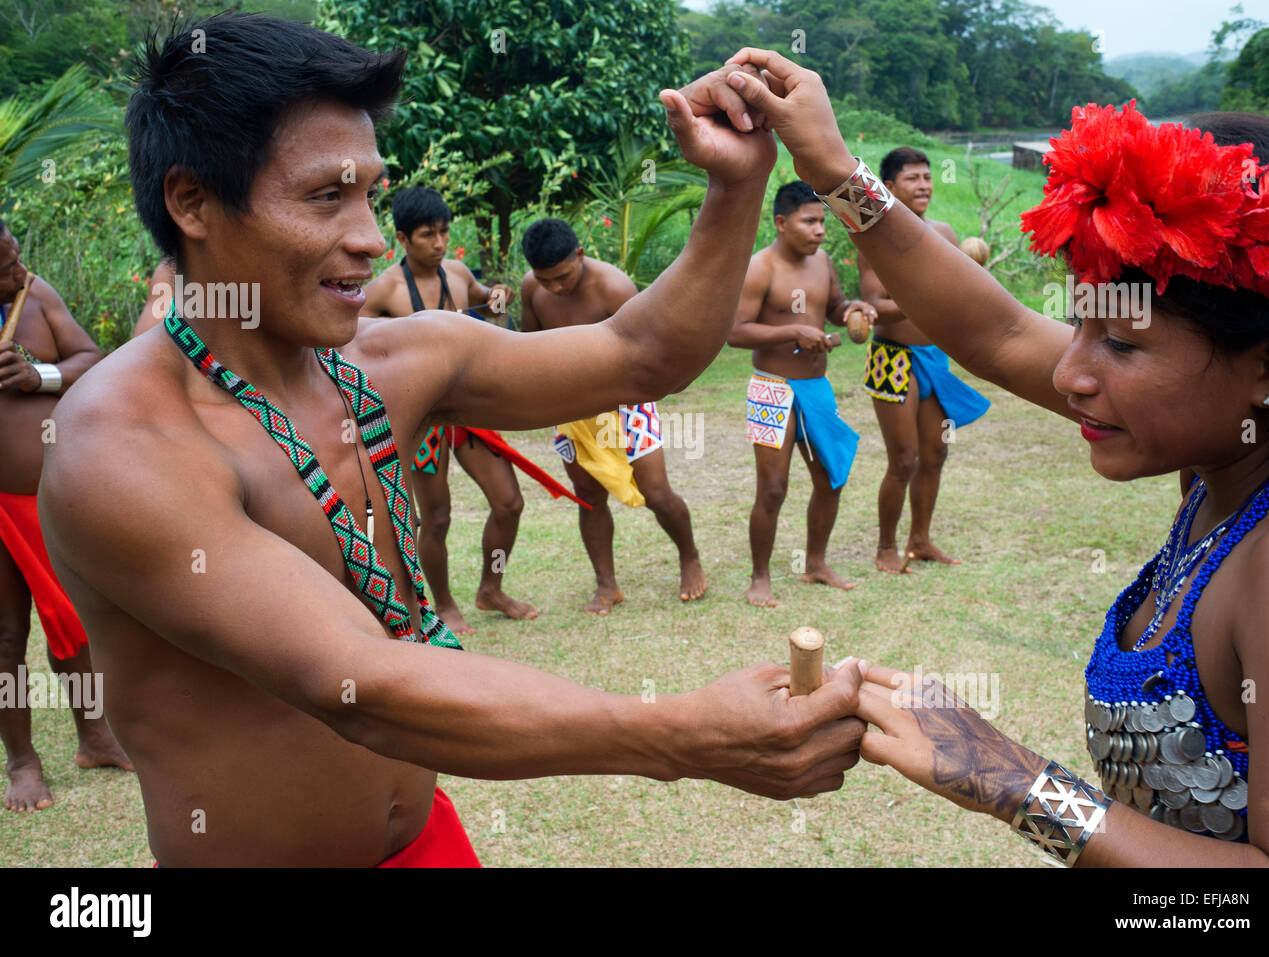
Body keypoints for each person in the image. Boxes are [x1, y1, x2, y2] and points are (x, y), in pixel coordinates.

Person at [40, 16, 865, 866]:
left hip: (429, 842)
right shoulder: (122, 443)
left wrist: (734, 187)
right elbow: (356, 684)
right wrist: (678, 734)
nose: (367, 234)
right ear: (192, 201)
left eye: (369, 194)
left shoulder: (390, 359)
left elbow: (641, 352)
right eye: (327, 197)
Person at [724, 46, 1269, 865]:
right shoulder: (1223, 473)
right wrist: (835, 169)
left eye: (1124, 347)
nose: (1070, 372)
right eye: (1081, 327)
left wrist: (1013, 779)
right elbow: (996, 331)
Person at [361, 187, 579, 633]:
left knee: (509, 503)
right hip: (423, 419)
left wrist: (497, 296)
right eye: (427, 235)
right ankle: (442, 605)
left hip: (469, 409)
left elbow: (488, 298)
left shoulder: (457, 272)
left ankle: (490, 589)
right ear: (402, 239)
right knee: (435, 517)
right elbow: (346, 337)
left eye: (443, 232)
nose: (439, 242)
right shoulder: (384, 289)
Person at [0, 221, 131, 811]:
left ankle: (94, 735)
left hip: (43, 496)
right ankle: (22, 762)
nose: (17, 271)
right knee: (5, 638)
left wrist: (37, 376)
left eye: (16, 256)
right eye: (4, 267)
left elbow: (90, 357)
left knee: (72, 625)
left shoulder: (36, 294)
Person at [519, 218, 707, 613]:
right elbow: (531, 346)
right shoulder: (532, 288)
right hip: (569, 408)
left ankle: (689, 556)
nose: (554, 287)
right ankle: (607, 584)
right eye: (544, 279)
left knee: (655, 491)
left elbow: (642, 355)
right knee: (588, 497)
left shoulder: (615, 288)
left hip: (626, 402)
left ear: (580, 255)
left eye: (562, 277)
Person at [728, 182, 874, 607]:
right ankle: (760, 577)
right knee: (773, 488)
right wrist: (793, 330)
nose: (819, 231)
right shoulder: (761, 268)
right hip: (771, 389)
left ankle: (815, 564)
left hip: (816, 388)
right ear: (781, 222)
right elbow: (735, 332)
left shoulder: (822, 261)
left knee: (830, 478)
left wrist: (853, 312)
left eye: (822, 221)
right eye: (809, 221)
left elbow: (834, 306)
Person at [856, 147, 990, 573]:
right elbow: (877, 302)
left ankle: (920, 540)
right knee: (904, 459)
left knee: (935, 455)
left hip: (933, 356)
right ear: (889, 187)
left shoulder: (945, 235)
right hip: (892, 358)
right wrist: (930, 298)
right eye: (912, 178)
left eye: (927, 177)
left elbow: (963, 297)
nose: (924, 185)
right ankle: (884, 548)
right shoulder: (876, 237)